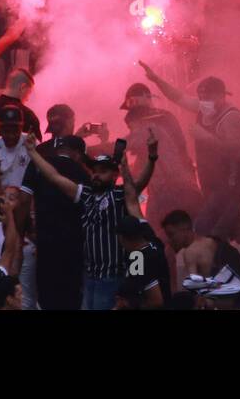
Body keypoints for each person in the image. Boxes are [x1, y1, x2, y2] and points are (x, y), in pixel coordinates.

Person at [24, 133, 153, 310]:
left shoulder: (119, 196)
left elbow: (140, 184)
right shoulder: (86, 195)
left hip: (111, 276)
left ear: (115, 175)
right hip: (89, 275)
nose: (96, 175)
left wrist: (152, 158)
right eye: (94, 171)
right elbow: (55, 177)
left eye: (103, 171)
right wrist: (32, 152)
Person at [139, 62, 240, 238]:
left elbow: (236, 150)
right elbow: (178, 97)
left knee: (207, 230)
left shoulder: (231, 117)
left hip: (229, 185)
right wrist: (156, 79)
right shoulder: (205, 108)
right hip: (211, 181)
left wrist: (206, 137)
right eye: (201, 96)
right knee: (215, 229)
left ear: (222, 96)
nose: (203, 101)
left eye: (208, 96)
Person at [119, 82, 202, 229]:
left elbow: (122, 146)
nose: (129, 128)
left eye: (130, 124)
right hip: (183, 186)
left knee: (157, 234)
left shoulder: (150, 126)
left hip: (171, 190)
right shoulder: (164, 118)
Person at [22, 131, 88, 310]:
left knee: (47, 298)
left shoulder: (36, 166)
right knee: (71, 298)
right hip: (73, 248)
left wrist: (26, 232)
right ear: (78, 153)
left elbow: (24, 202)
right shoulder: (84, 173)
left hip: (45, 245)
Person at [114, 216, 170, 309]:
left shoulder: (139, 259)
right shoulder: (155, 244)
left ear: (122, 238)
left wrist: (129, 305)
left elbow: (156, 301)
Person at [0, 105, 32, 189]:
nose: (11, 136)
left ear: (21, 127)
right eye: (6, 131)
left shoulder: (31, 143)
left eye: (15, 131)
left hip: (26, 197)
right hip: (1, 197)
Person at [0, 69, 42, 136]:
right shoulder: (28, 116)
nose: (27, 99)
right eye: (29, 93)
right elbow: (35, 145)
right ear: (22, 87)